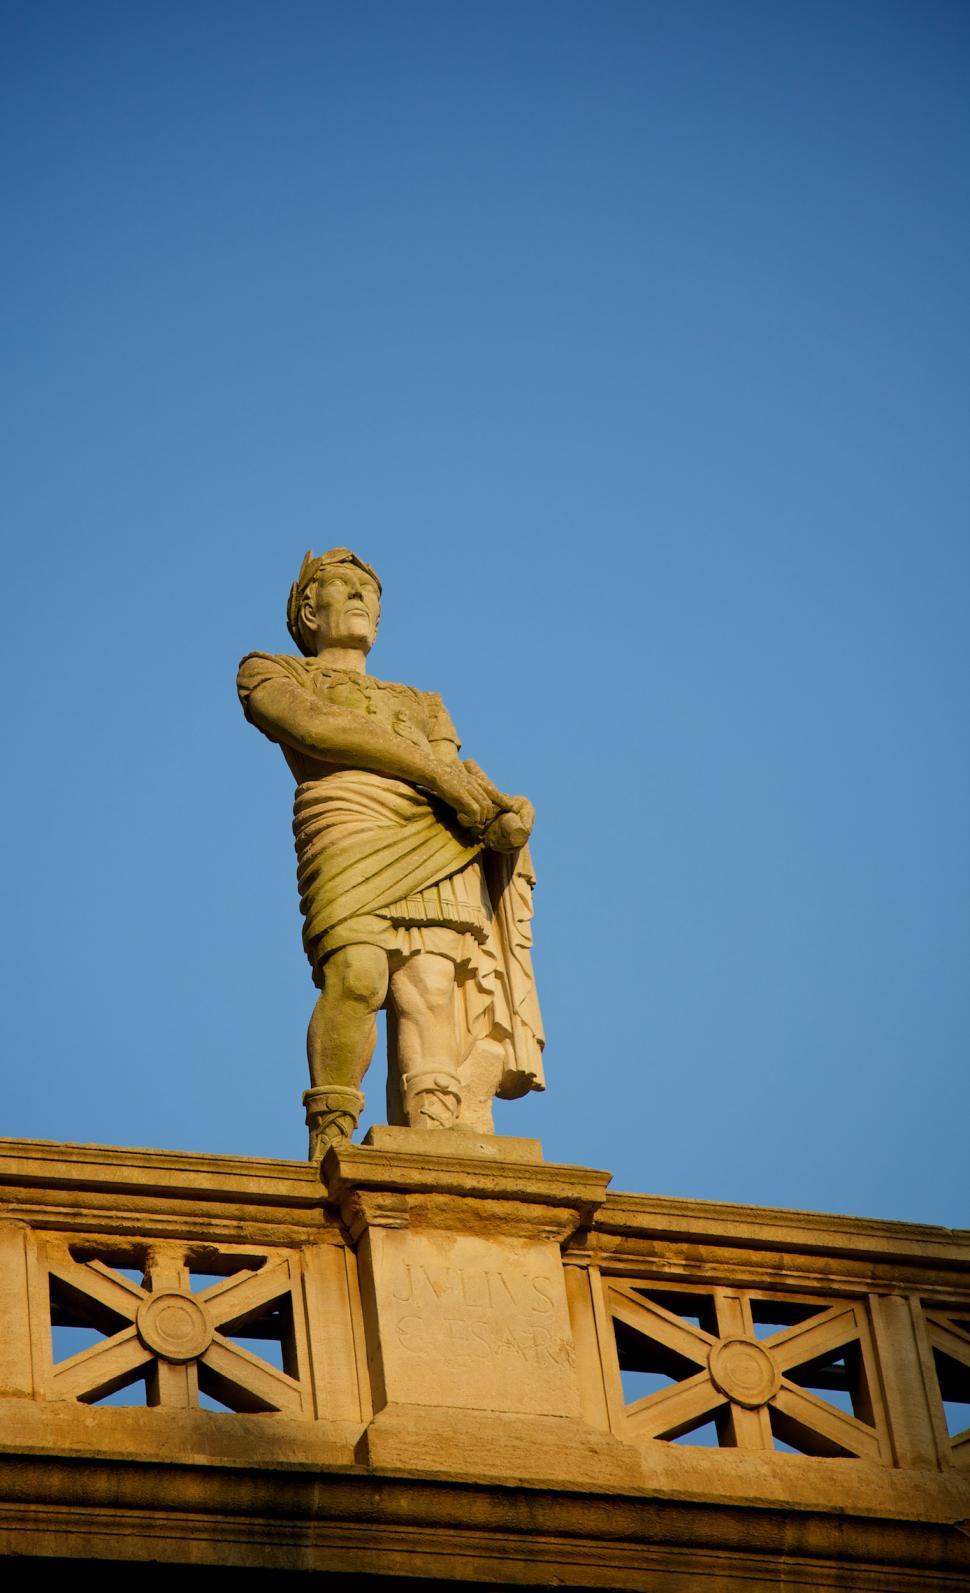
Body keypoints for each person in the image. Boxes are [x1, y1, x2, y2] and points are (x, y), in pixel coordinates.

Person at [237, 548, 544, 1158]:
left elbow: (461, 778)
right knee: (356, 976)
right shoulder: (270, 671)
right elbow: (318, 731)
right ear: (308, 608)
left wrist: (502, 814)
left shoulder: (423, 700)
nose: (360, 598)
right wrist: (438, 774)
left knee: (430, 987)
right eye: (344, 586)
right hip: (349, 829)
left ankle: (438, 1134)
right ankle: (331, 1133)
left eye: (369, 592)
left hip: (433, 838)